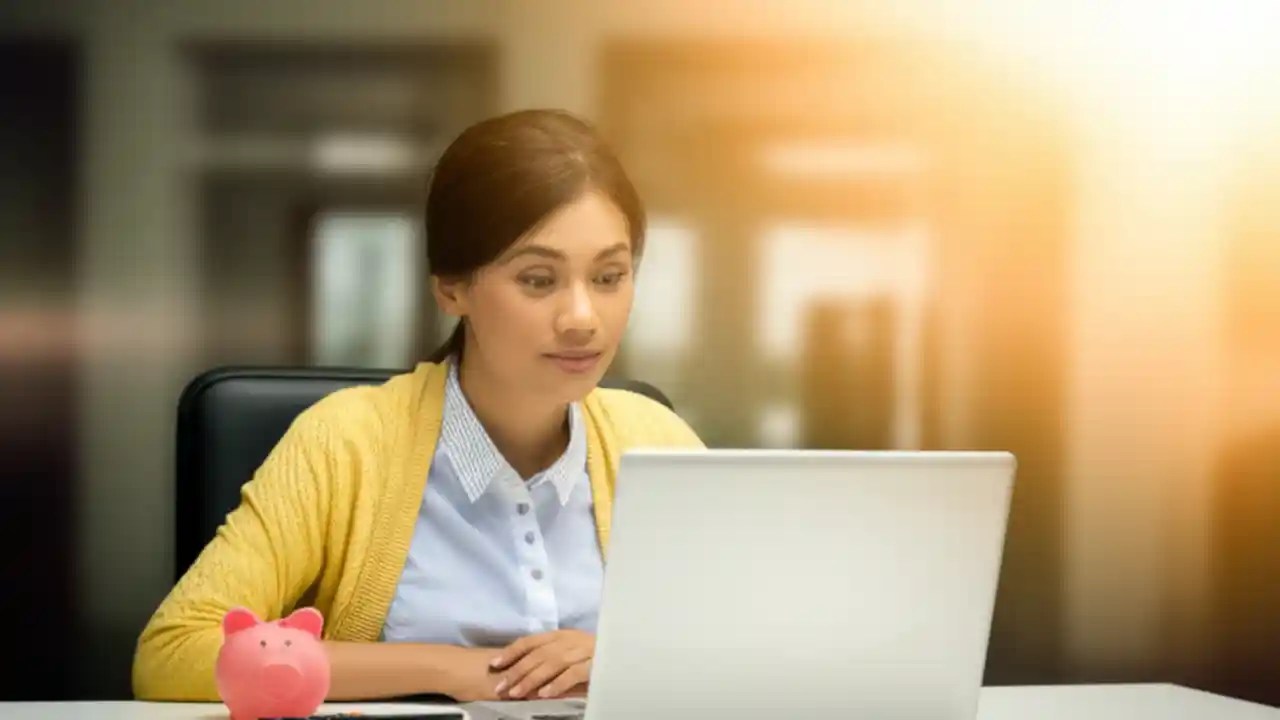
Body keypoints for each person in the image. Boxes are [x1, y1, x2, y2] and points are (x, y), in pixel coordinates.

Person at [133, 109, 704, 703]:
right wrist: (453, 670)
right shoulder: (347, 441)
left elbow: (756, 647)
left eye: (609, 277)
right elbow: (176, 652)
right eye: (538, 279)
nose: (583, 318)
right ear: (451, 287)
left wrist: (625, 659)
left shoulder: (655, 441)